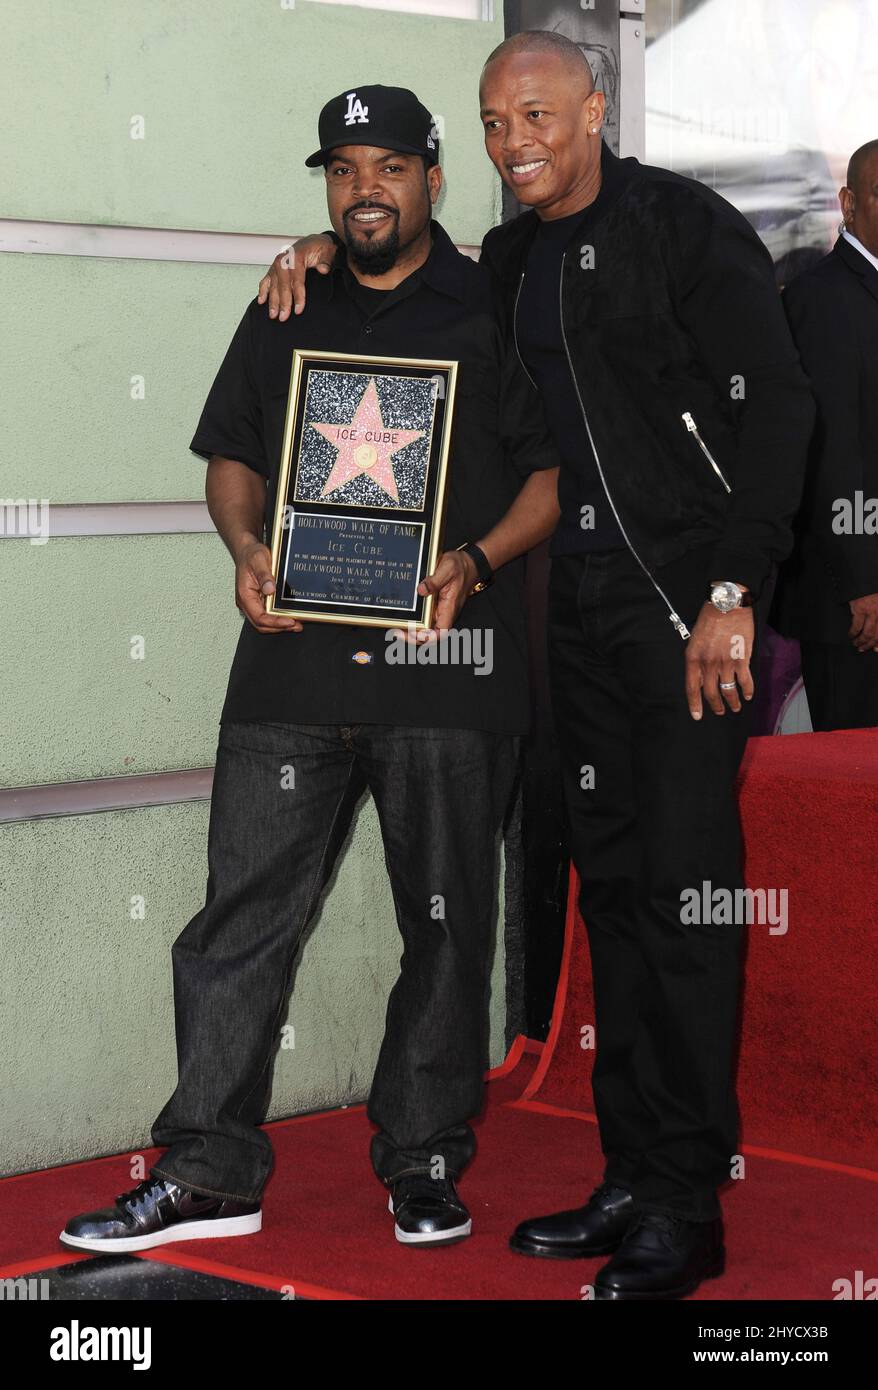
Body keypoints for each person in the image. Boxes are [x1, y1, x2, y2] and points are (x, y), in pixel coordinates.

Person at [266, 33, 815, 1299]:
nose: (513, 141)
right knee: (608, 892)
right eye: (493, 121)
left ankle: (686, 1198)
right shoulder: (508, 261)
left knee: (682, 897)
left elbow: (780, 407)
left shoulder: (681, 225)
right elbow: (409, 284)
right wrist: (314, 250)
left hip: (683, 611)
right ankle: (631, 1167)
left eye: (536, 115)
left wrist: (732, 591)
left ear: (593, 110)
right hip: (563, 616)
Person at [60, 84, 560, 1256]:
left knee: (445, 929)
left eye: (388, 166)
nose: (363, 189)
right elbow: (232, 455)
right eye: (342, 170)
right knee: (237, 924)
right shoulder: (287, 298)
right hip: (289, 673)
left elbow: (549, 478)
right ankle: (206, 1170)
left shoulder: (492, 302)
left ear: (432, 178)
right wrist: (245, 548)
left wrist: (473, 561)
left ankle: (423, 1157)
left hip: (447, 671)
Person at [773, 140, 878, 730]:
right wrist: (863, 585)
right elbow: (830, 453)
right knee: (858, 774)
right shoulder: (823, 299)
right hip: (856, 605)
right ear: (849, 203)